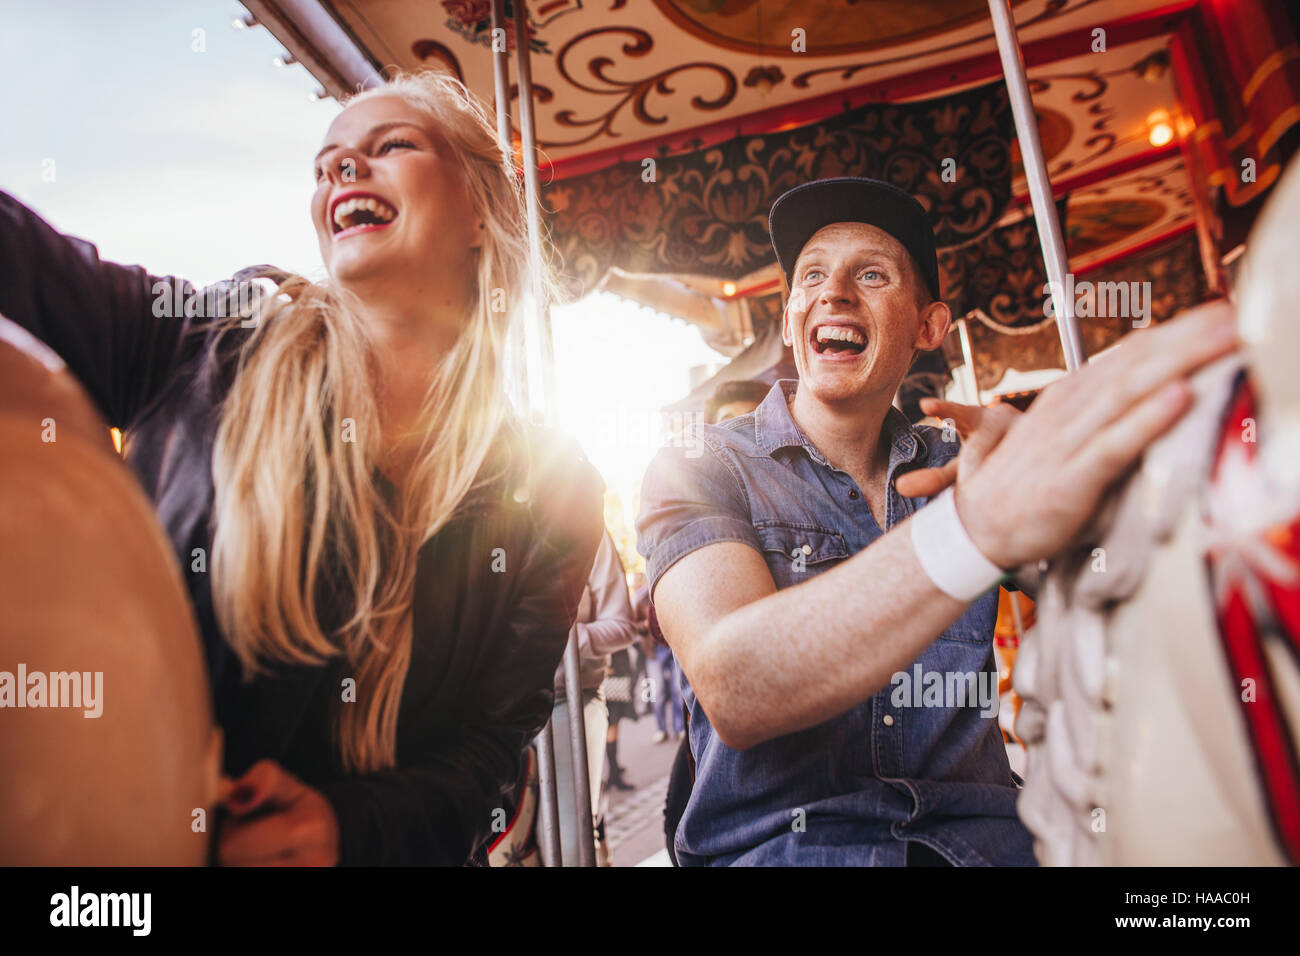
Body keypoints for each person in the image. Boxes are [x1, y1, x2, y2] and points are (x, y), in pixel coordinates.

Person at [0, 70, 603, 866]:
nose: (343, 172)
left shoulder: (555, 490)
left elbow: (484, 754)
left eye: (391, 145)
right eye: (326, 165)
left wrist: (338, 828)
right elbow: (33, 267)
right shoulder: (219, 339)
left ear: (480, 211)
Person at [636, 176, 1239, 866]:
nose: (834, 292)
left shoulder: (966, 463)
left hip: (983, 845)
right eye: (811, 276)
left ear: (929, 328)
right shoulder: (701, 467)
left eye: (871, 273)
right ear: (789, 319)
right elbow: (735, 688)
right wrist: (971, 531)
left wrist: (1091, 489)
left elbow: (1137, 579)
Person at [547, 529, 639, 866]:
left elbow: (622, 625)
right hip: (497, 710)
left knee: (570, 845)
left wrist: (556, 638)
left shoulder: (588, 528)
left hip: (568, 698)